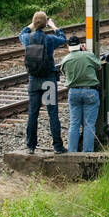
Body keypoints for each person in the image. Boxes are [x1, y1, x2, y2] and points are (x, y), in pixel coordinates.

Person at [19, 11, 68, 154]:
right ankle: (58, 146)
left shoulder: (27, 38)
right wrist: (53, 26)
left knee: (33, 114)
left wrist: (33, 24)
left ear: (34, 23)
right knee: (52, 113)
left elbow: (21, 33)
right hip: (48, 80)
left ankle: (30, 146)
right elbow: (63, 38)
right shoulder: (50, 39)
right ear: (45, 24)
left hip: (34, 81)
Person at [60, 40, 101, 153]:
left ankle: (72, 151)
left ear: (68, 46)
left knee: (74, 123)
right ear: (81, 45)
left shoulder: (65, 59)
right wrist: (86, 52)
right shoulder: (88, 55)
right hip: (90, 91)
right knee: (89, 124)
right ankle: (87, 152)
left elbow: (64, 73)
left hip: (73, 92)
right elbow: (98, 66)